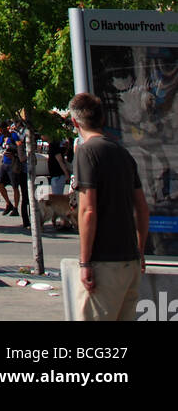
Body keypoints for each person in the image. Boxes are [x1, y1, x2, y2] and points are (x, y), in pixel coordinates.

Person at [69, 91, 149, 322]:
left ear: (75, 122)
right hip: (130, 261)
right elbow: (142, 208)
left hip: (104, 263)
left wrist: (85, 262)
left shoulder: (86, 151)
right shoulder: (123, 154)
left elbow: (88, 210)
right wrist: (140, 251)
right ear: (102, 119)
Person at [0, 122, 21, 215]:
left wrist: (14, 153)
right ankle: (8, 203)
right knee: (0, 183)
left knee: (15, 187)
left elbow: (19, 145)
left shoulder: (13, 135)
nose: (2, 131)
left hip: (12, 164)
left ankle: (16, 208)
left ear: (6, 128)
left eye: (3, 129)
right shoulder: (1, 137)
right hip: (4, 163)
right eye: (0, 130)